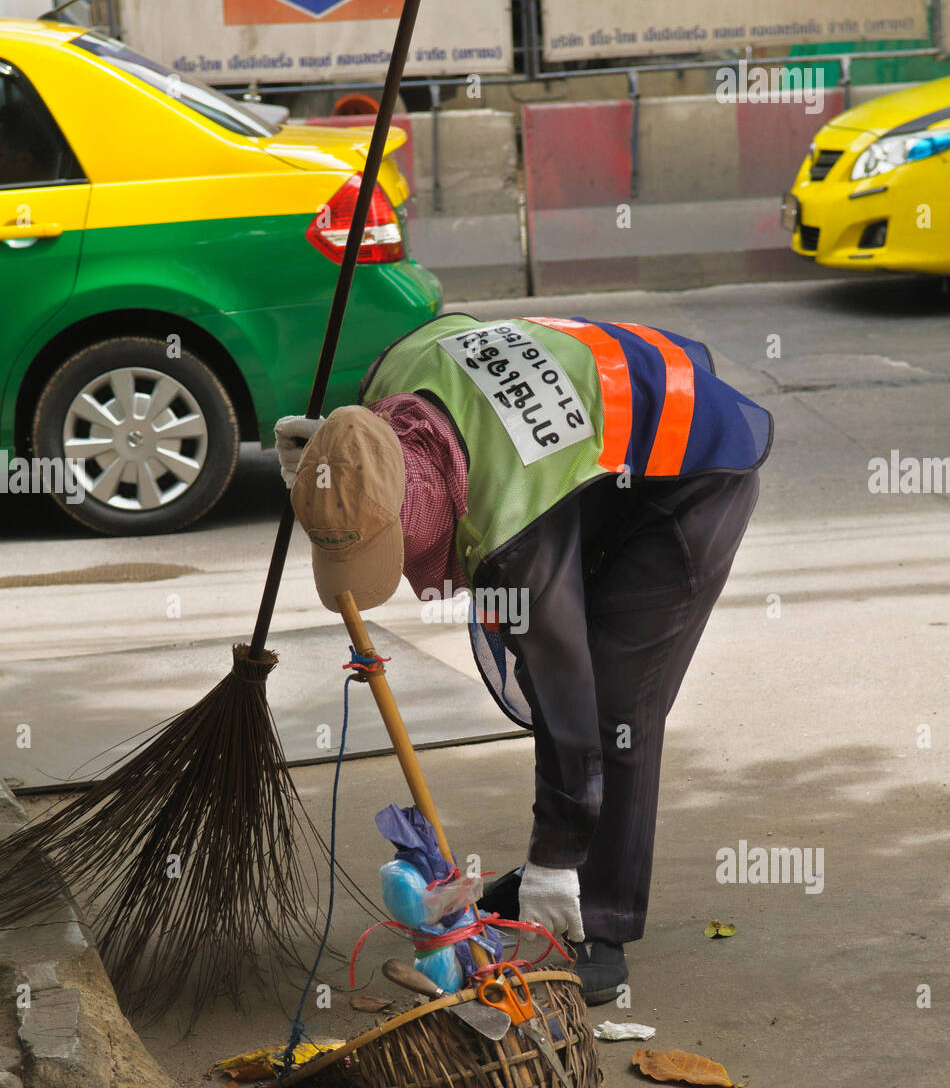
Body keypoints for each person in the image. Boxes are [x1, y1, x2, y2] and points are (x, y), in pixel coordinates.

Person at [277, 313, 771, 1004]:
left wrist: (555, 859)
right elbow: (365, 452)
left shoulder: (512, 527)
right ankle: (566, 865)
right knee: (555, 676)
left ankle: (596, 919)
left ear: (435, 521)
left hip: (692, 464)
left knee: (615, 703)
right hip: (601, 453)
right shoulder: (383, 394)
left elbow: (572, 695)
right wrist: (327, 469)